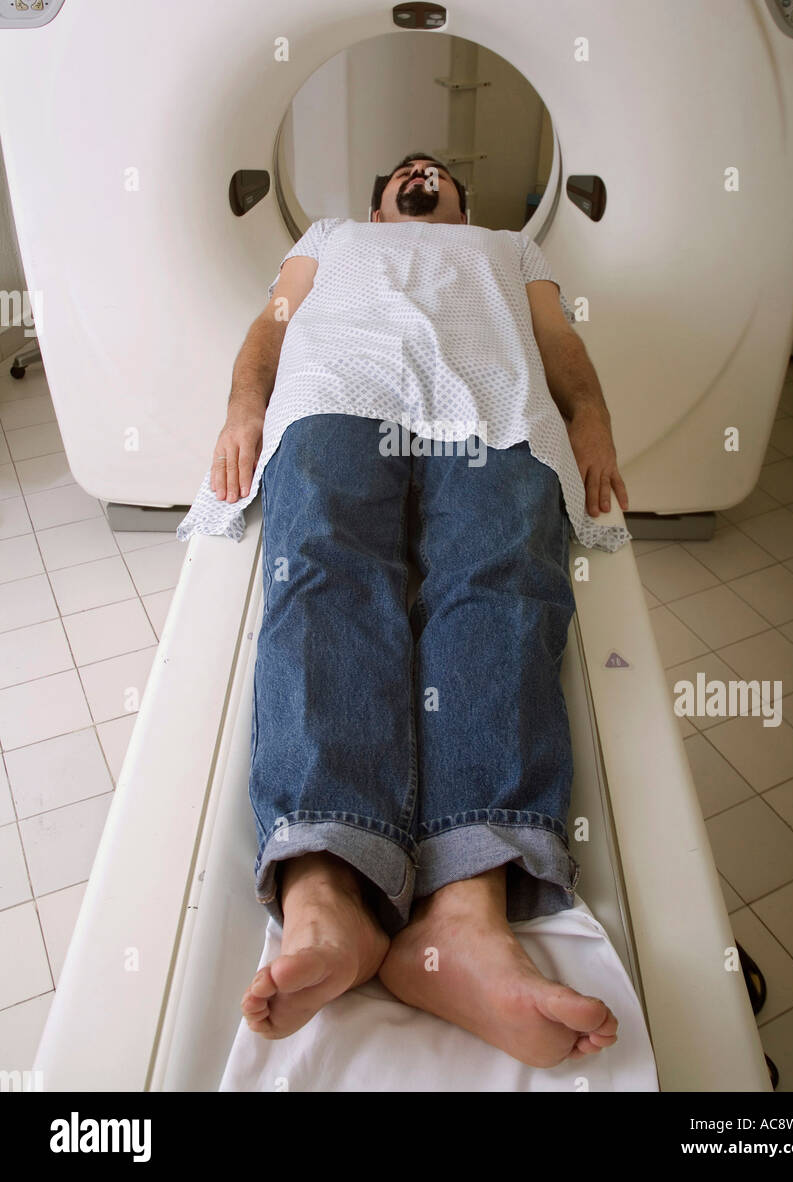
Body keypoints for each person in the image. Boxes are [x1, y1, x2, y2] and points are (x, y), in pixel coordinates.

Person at [177, 153, 631, 1068]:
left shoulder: (508, 248)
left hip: (493, 406)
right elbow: (272, 327)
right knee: (328, 574)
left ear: (463, 201)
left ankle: (464, 916)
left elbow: (559, 344)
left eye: (440, 169)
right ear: (380, 202)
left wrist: (591, 420)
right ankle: (328, 894)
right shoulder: (330, 239)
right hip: (339, 391)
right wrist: (241, 408)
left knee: (499, 583)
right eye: (405, 169)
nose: (422, 172)